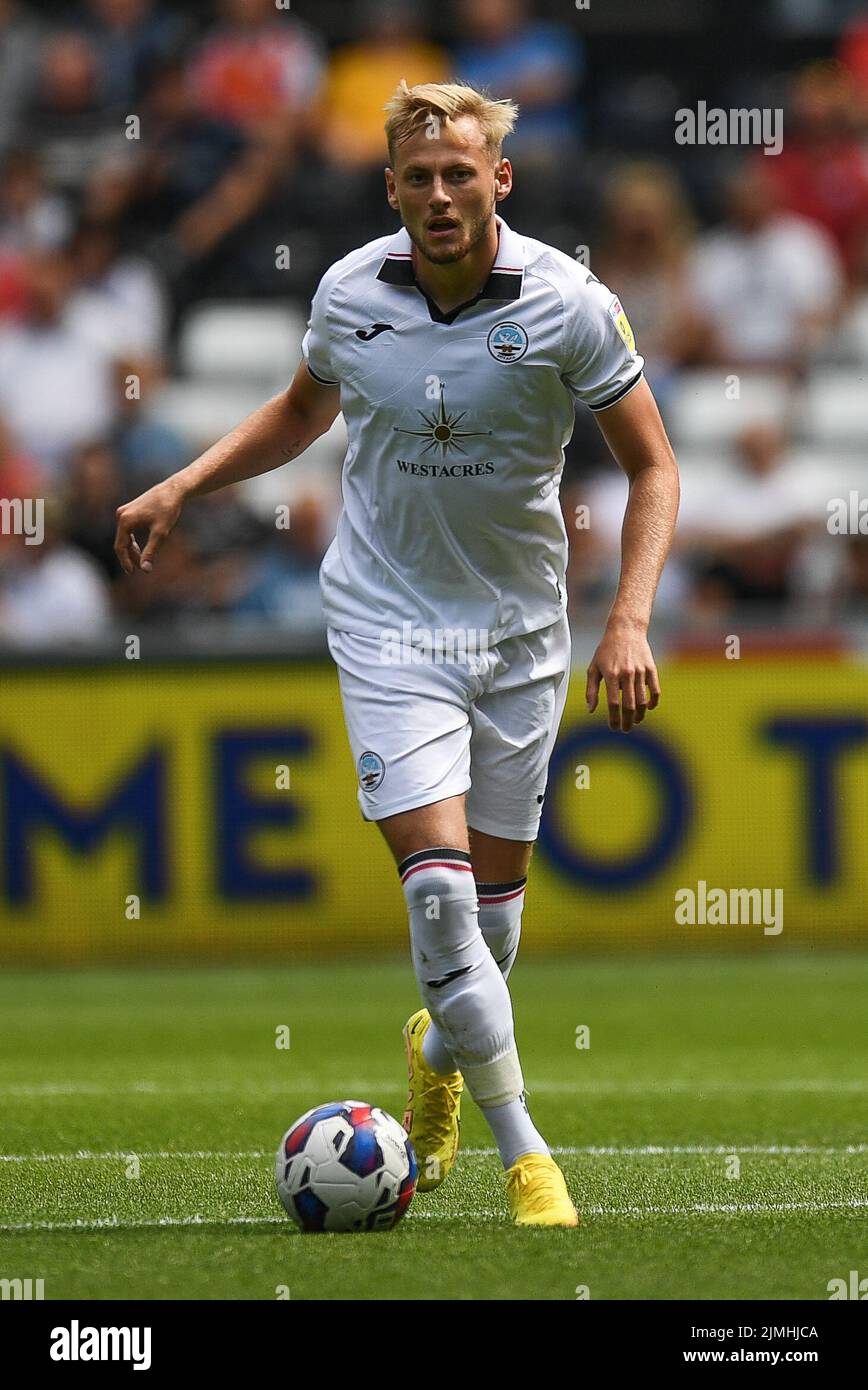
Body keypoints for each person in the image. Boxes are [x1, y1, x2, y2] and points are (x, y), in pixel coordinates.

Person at [114, 80, 680, 1228]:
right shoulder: (348, 291)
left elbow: (655, 466)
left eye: (458, 174)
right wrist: (182, 481)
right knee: (437, 903)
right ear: (389, 189)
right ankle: (530, 1156)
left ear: (498, 183)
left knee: (493, 924)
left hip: (520, 633)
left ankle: (437, 1047)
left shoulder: (569, 305)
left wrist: (627, 617)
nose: (438, 194)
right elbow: (299, 409)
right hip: (386, 626)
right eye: (416, 177)